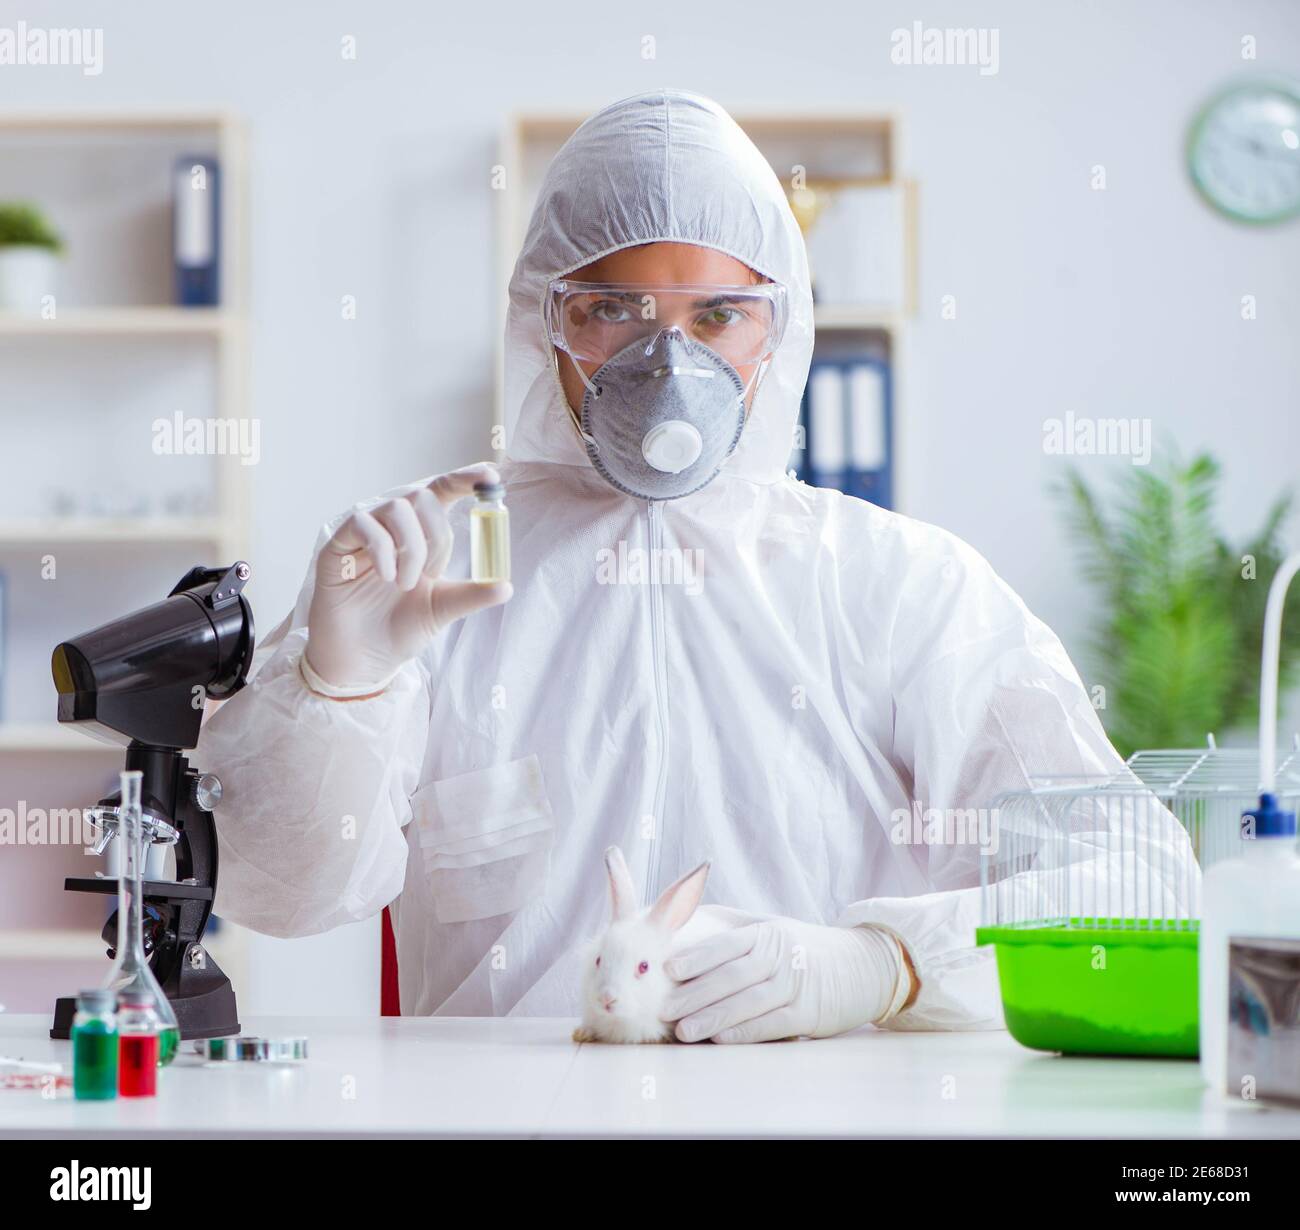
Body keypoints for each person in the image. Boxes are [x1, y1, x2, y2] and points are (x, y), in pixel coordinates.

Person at [198, 89, 1178, 1041]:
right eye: (613, 309)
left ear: (777, 330)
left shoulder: (894, 586)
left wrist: (889, 965)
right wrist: (338, 688)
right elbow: (274, 892)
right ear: (549, 322)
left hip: (826, 1122)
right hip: (509, 1125)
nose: (667, 363)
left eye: (717, 316)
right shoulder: (433, 569)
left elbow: (1139, 882)